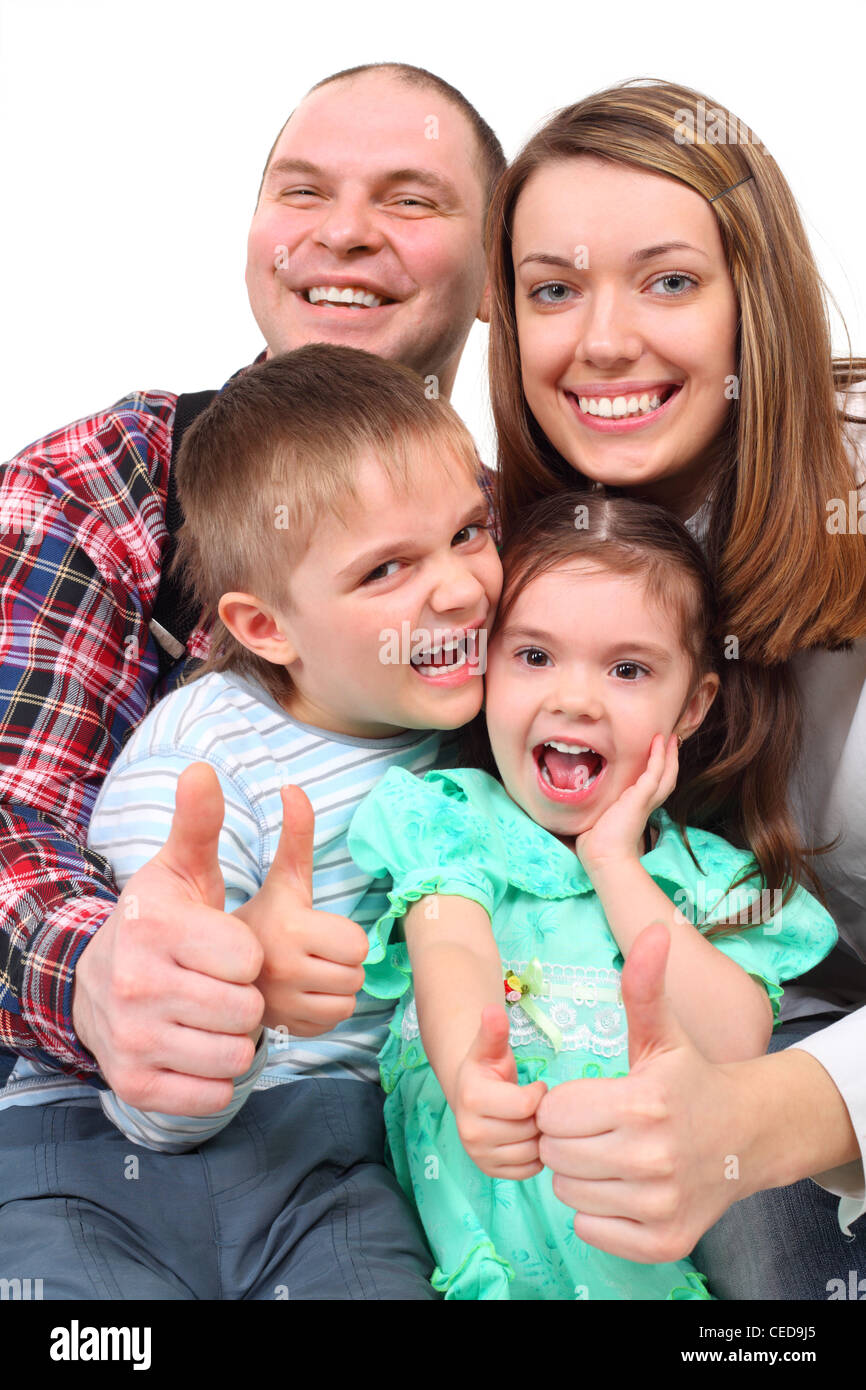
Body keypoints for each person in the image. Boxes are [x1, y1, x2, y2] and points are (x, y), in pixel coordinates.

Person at [0, 60, 502, 1099]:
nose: (344, 232)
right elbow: (12, 807)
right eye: (303, 191)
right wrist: (108, 976)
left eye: (409, 199)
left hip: (400, 1159)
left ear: (496, 275)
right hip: (96, 1119)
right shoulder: (104, 481)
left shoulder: (521, 551)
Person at [0, 343, 503, 1297]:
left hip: (328, 1166)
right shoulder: (207, 762)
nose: (459, 588)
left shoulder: (474, 737)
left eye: (470, 533)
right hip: (92, 1161)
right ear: (265, 627)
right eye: (386, 568)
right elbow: (151, 1100)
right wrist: (244, 997)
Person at [484, 77, 866, 1297]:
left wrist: (759, 1114)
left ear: (754, 302)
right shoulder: (539, 561)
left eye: (666, 280)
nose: (599, 341)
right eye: (552, 288)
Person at [346, 490, 837, 1299]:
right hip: (479, 1272)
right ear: (487, 666)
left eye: (628, 669)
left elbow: (735, 1041)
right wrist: (473, 1073)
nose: (575, 698)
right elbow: (453, 949)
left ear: (694, 705)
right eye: (534, 656)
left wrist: (616, 862)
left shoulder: (712, 881)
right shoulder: (453, 823)